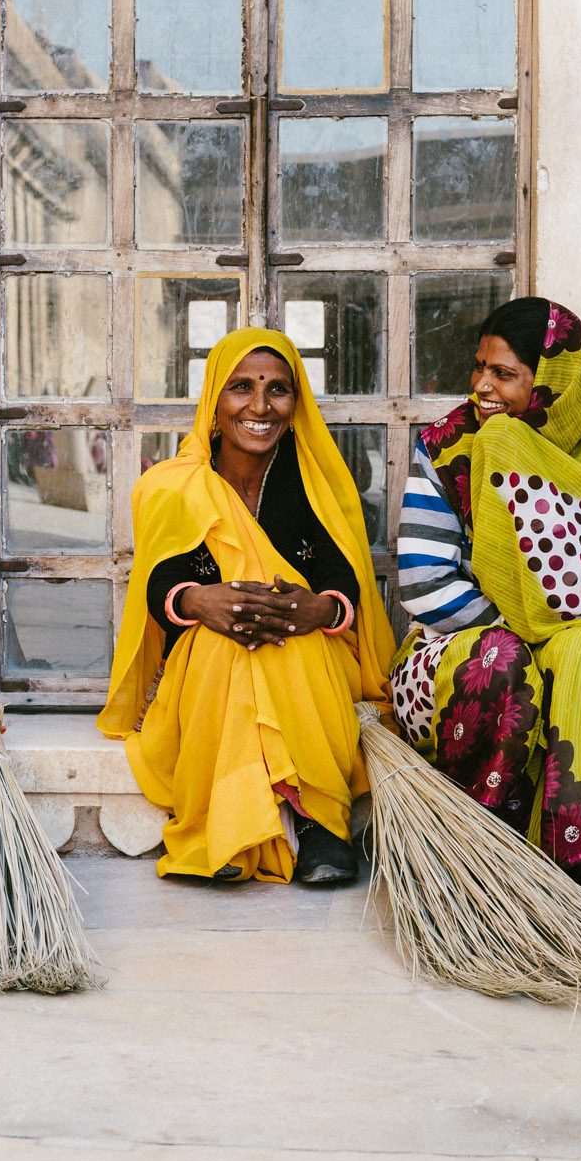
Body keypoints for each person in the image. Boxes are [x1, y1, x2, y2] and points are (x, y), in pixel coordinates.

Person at [391, 297, 581, 897]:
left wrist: (557, 641)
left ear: (554, 383)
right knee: (509, 664)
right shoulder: (447, 449)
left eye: (504, 374)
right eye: (479, 368)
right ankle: (482, 836)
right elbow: (422, 583)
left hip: (574, 631)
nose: (482, 387)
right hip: (459, 648)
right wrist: (523, 635)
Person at [101, 330, 395, 886]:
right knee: (223, 645)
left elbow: (342, 576)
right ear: (214, 400)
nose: (260, 406)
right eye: (242, 387)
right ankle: (230, 825)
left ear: (295, 404)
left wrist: (320, 611)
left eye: (277, 389)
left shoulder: (316, 484)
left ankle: (316, 823)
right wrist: (198, 600)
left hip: (308, 654)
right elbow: (160, 579)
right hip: (205, 658)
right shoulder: (172, 486)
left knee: (289, 643)